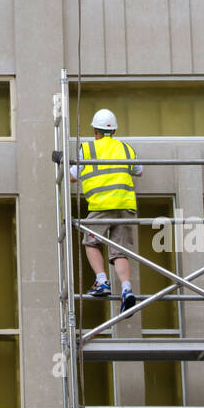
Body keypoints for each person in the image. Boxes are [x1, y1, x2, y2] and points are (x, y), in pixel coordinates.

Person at [70, 108, 144, 313]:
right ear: (114, 131)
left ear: (95, 130)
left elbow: (72, 176)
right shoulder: (126, 149)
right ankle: (127, 289)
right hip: (125, 206)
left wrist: (63, 164)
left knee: (91, 241)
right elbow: (139, 171)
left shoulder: (88, 149)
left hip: (102, 206)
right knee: (119, 251)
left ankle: (102, 281)